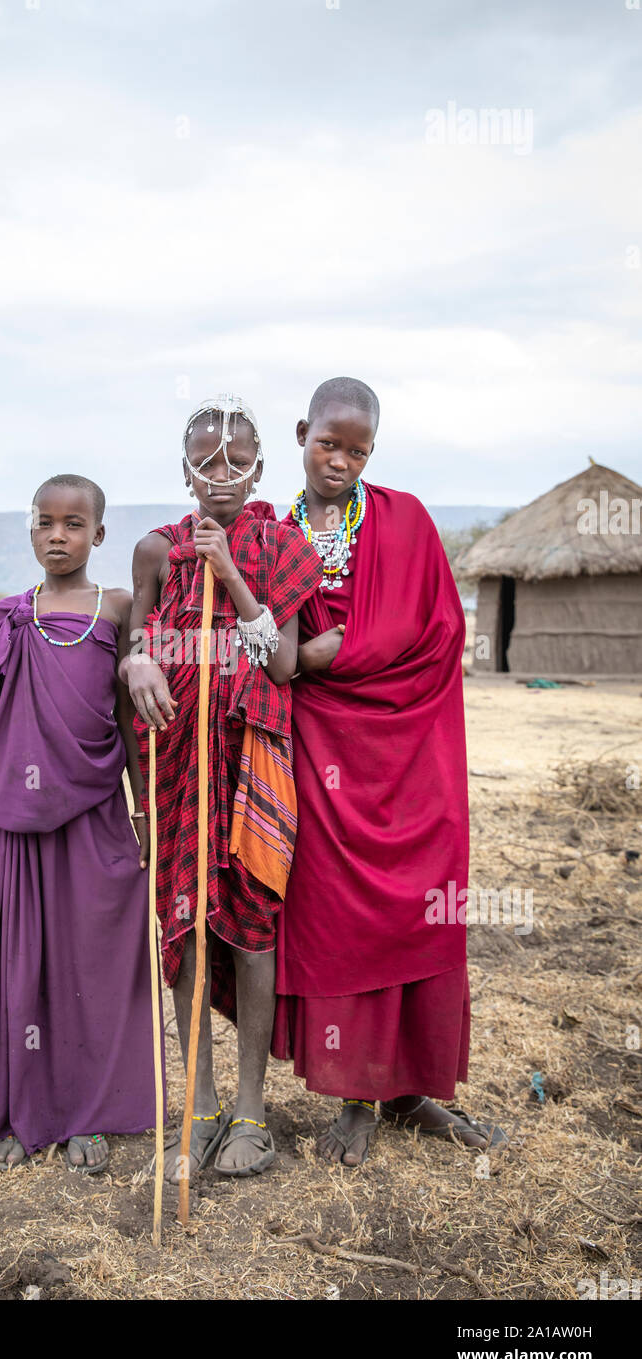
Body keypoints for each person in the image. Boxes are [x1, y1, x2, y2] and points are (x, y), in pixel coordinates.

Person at [272, 377, 506, 1165]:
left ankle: (411, 1088)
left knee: (419, 906)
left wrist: (348, 650)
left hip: (410, 751)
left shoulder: (406, 520)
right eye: (326, 443)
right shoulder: (275, 532)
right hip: (323, 753)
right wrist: (306, 658)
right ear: (302, 432)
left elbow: (443, 628)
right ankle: (355, 1095)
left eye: (357, 450)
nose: (339, 461)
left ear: (374, 451)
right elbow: (260, 638)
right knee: (337, 912)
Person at [123, 394, 321, 1178]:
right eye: (206, 461)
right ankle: (198, 1108)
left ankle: (251, 1114)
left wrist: (231, 572)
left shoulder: (282, 544)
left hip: (253, 770)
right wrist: (136, 659)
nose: (222, 473)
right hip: (177, 768)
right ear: (184, 472)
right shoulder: (152, 551)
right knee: (184, 932)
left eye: (237, 459)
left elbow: (279, 663)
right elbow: (138, 643)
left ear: (261, 468)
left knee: (251, 931)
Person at [0, 474, 159, 1174]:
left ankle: (90, 1113)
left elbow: (131, 720)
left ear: (98, 535)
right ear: (31, 529)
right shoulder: (6, 618)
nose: (57, 535)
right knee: (23, 965)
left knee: (95, 964)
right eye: (45, 522)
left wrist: (144, 810)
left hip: (97, 812)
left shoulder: (119, 608)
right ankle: (21, 1114)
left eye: (73, 524)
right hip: (16, 820)